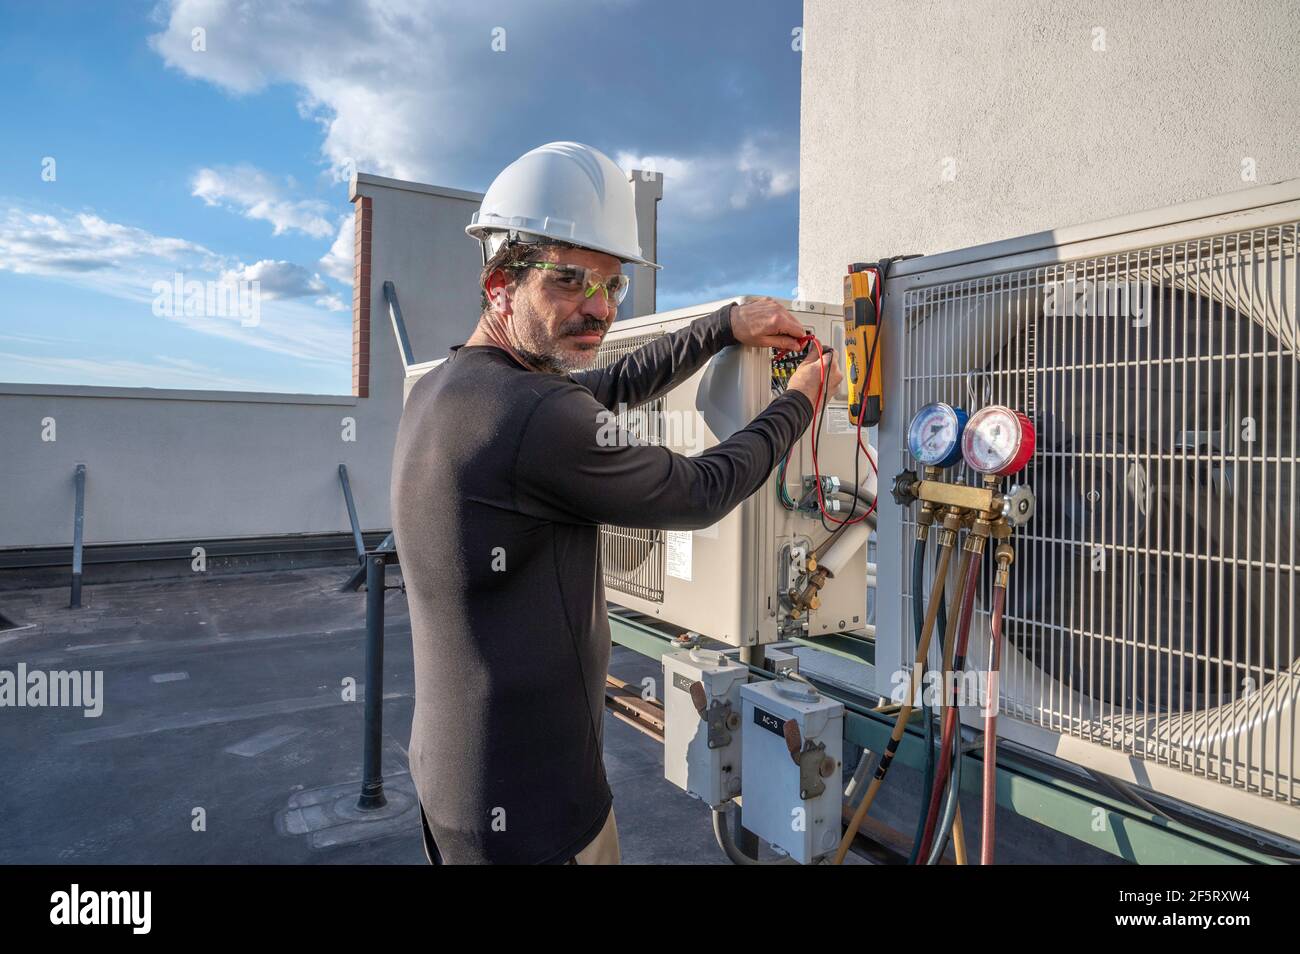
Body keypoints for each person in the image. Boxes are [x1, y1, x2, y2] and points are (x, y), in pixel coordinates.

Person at [390, 141, 841, 864]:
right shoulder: (532, 417)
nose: (596, 308)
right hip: (536, 810)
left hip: (458, 781)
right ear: (500, 282)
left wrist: (725, 325)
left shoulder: (450, 390)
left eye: (612, 286)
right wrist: (798, 403)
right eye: (568, 281)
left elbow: (619, 382)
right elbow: (701, 491)